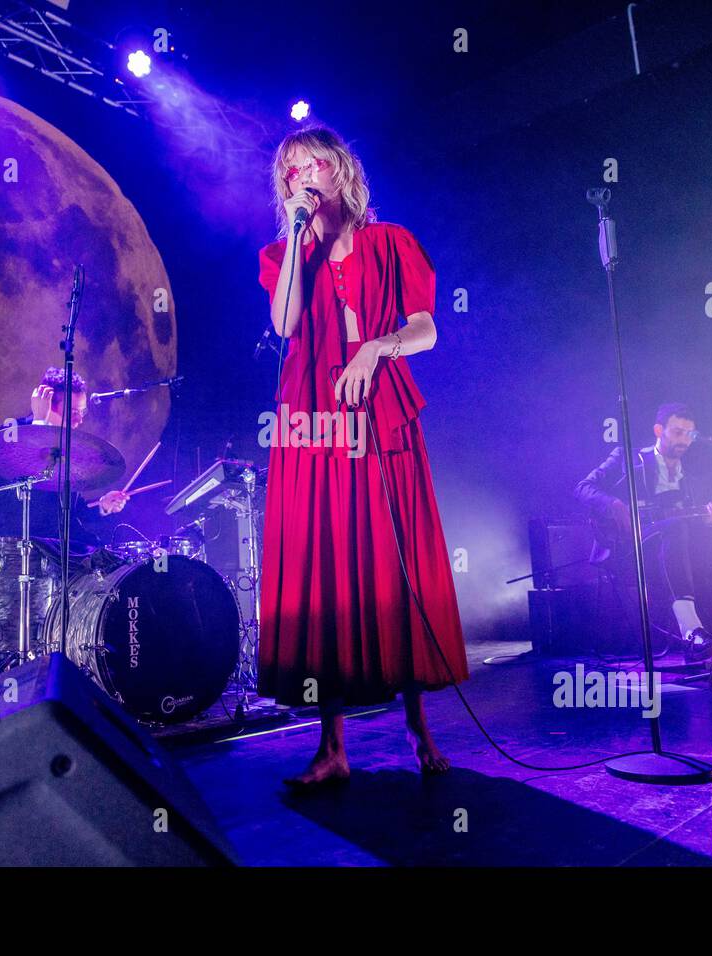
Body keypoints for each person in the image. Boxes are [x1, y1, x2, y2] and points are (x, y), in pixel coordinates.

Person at [256, 126, 467, 789]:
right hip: (312, 427)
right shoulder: (282, 252)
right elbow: (286, 323)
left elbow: (427, 328)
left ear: (341, 171)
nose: (301, 178)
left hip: (382, 412)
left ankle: (418, 726)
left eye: (310, 165)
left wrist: (376, 348)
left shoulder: (392, 242)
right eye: (289, 173)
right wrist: (297, 236)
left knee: (392, 563)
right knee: (326, 571)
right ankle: (332, 746)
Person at [574, 402, 712, 662]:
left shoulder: (692, 476)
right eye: (678, 432)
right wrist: (614, 505)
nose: (685, 440)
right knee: (675, 530)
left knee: (708, 538)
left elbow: (691, 519)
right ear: (659, 430)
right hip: (625, 549)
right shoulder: (627, 457)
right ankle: (692, 633)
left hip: (670, 550)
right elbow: (583, 487)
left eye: (690, 434)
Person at [0, 366, 129, 545]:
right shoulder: (12, 432)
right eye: (73, 412)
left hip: (60, 552)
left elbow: (74, 514)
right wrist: (40, 421)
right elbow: (28, 499)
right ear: (48, 404)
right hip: (17, 550)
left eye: (82, 412)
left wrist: (103, 506)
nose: (79, 420)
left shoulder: (71, 448)